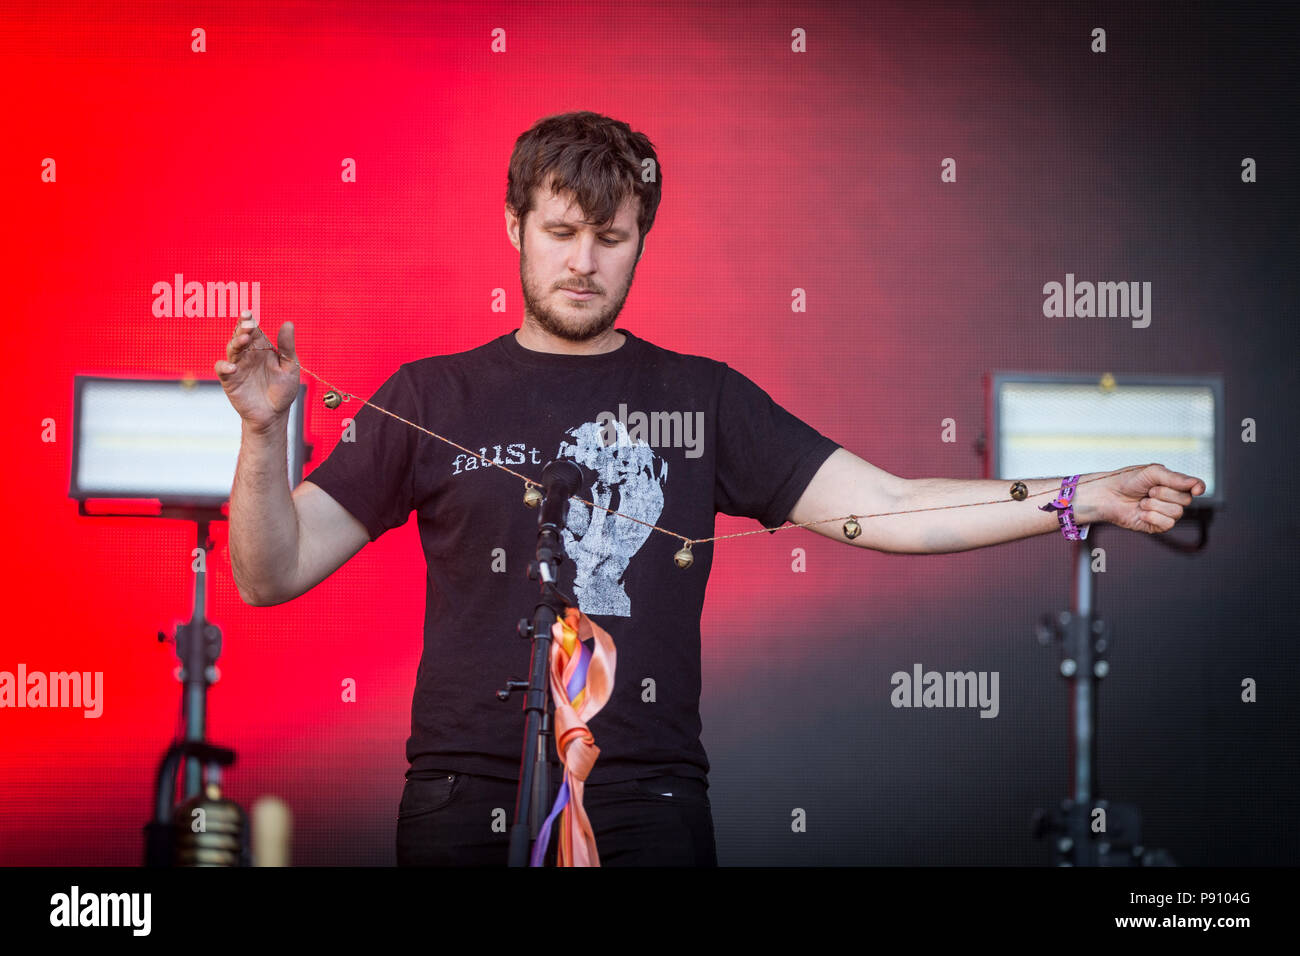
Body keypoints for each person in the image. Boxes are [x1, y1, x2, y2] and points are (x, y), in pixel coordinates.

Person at [214, 111, 1207, 867]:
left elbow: (895, 507)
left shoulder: (701, 396)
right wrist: (264, 435)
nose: (583, 260)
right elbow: (268, 571)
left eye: (613, 236)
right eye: (560, 230)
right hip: (458, 796)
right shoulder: (432, 393)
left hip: (647, 801)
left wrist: (1083, 492)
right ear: (513, 222)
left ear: (643, 236)